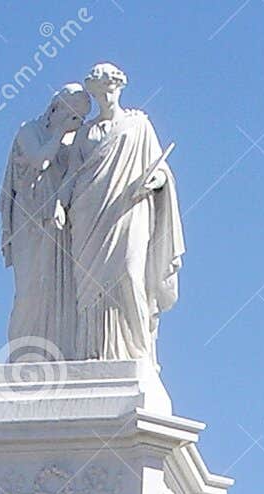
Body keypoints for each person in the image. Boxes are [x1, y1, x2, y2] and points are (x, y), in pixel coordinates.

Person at [58, 63, 183, 362]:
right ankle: (93, 351)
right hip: (87, 213)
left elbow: (160, 167)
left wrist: (156, 180)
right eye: (100, 92)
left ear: (119, 89)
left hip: (128, 209)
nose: (106, 97)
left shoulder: (138, 126)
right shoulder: (85, 132)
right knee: (88, 285)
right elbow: (72, 174)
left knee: (128, 272)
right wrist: (59, 203)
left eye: (110, 90)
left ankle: (137, 350)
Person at [0, 84, 90, 355]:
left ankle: (60, 349)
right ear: (56, 107)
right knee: (30, 286)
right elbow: (40, 160)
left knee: (59, 286)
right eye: (73, 113)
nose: (76, 121)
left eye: (80, 117)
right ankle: (24, 352)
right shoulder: (30, 130)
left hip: (59, 220)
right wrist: (60, 132)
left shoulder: (74, 141)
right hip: (29, 217)